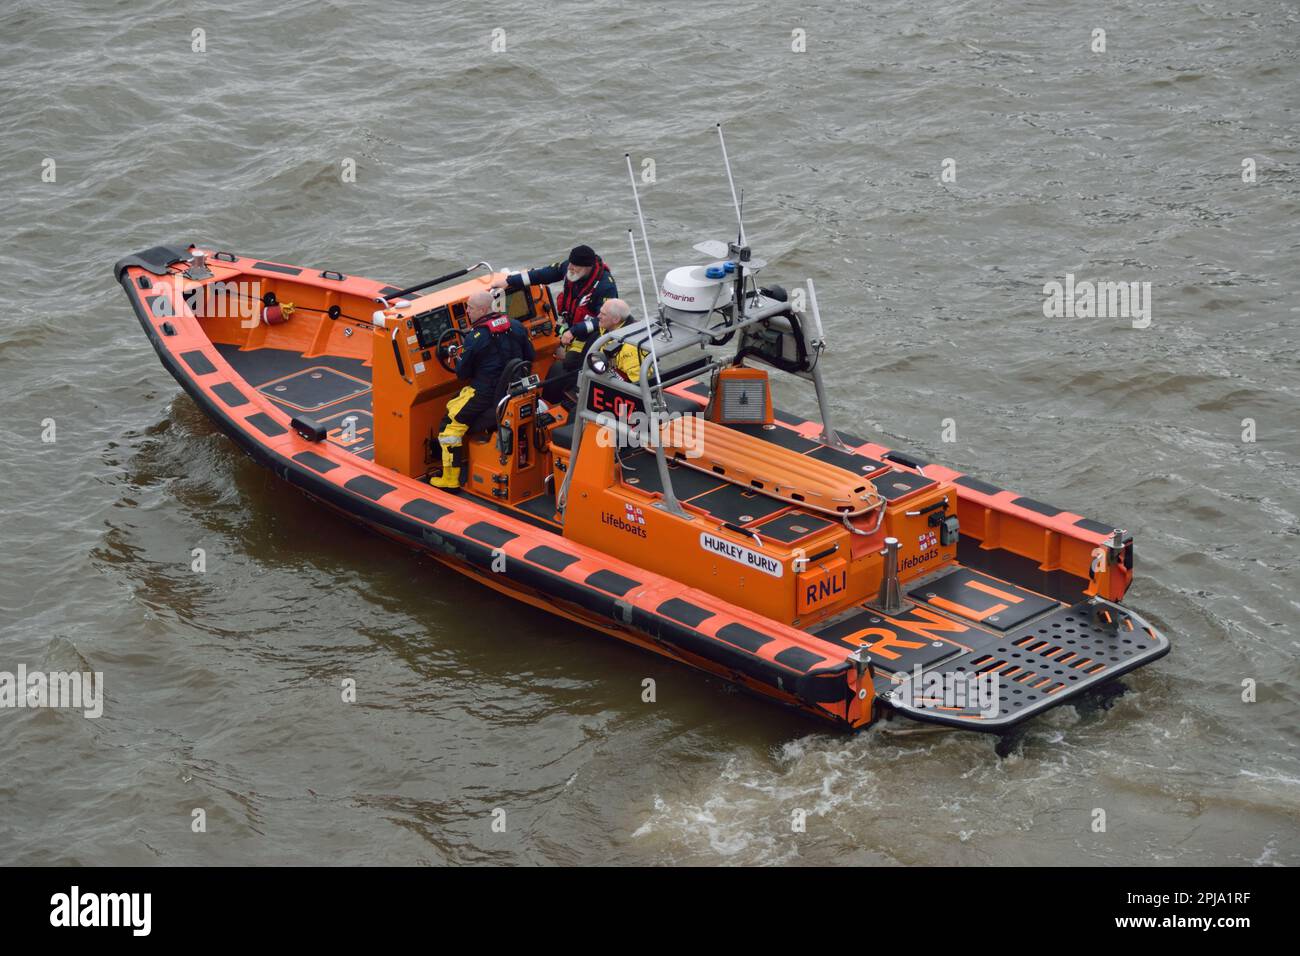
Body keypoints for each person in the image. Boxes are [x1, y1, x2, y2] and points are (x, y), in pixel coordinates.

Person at [431, 290, 535, 490]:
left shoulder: (476, 336)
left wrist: (455, 355)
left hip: (485, 393)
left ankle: (450, 479)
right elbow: (529, 355)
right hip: (513, 390)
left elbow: (462, 373)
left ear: (483, 309)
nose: (467, 312)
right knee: (456, 402)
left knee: (449, 425)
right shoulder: (516, 326)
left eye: (470, 307)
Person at [491, 245, 616, 403]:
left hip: (591, 335)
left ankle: (573, 396)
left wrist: (574, 332)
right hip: (571, 329)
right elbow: (542, 275)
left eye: (574, 266)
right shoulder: (569, 268)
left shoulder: (606, 286)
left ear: (587, 267)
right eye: (570, 263)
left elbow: (605, 321)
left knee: (570, 364)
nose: (570, 267)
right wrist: (509, 281)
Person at [592, 299, 648, 382]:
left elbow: (638, 382)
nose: (598, 316)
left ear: (616, 319)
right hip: (607, 368)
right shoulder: (608, 327)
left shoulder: (630, 348)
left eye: (603, 314)